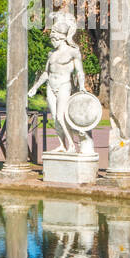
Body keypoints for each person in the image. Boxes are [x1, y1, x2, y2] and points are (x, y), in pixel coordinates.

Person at [28, 12, 87, 153]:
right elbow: (46, 73)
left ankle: (72, 145)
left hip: (64, 85)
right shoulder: (52, 54)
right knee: (55, 118)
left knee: (62, 116)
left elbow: (79, 71)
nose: (52, 40)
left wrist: (82, 86)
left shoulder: (73, 52)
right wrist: (35, 87)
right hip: (51, 86)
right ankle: (62, 144)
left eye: (54, 38)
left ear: (61, 37)